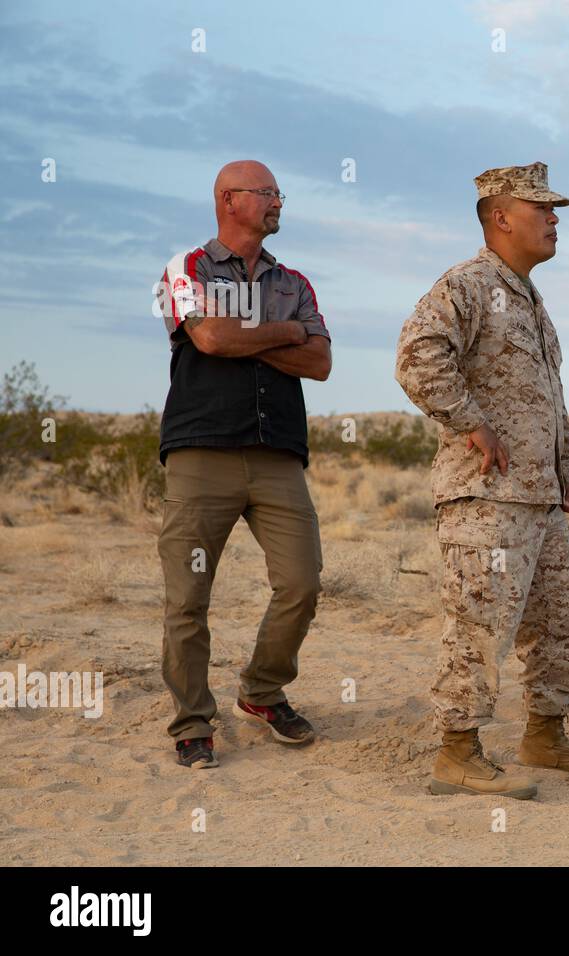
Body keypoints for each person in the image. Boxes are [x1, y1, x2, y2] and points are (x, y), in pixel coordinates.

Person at [395, 162, 569, 801]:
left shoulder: (528, 297)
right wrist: (469, 421)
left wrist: (566, 472)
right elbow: (417, 356)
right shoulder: (467, 285)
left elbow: (544, 396)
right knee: (478, 625)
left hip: (538, 499)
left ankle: (545, 737)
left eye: (555, 210)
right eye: (542, 209)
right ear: (501, 217)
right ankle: (457, 754)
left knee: (564, 620)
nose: (555, 220)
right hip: (485, 498)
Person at [155, 160, 332, 769]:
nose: (279, 202)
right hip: (202, 452)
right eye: (268, 193)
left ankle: (261, 692)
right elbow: (209, 340)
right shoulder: (186, 269)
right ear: (229, 200)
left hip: (278, 454)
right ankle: (192, 722)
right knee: (188, 599)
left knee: (303, 582)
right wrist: (284, 332)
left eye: (280, 192)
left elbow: (321, 362)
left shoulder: (297, 281)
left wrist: (251, 333)